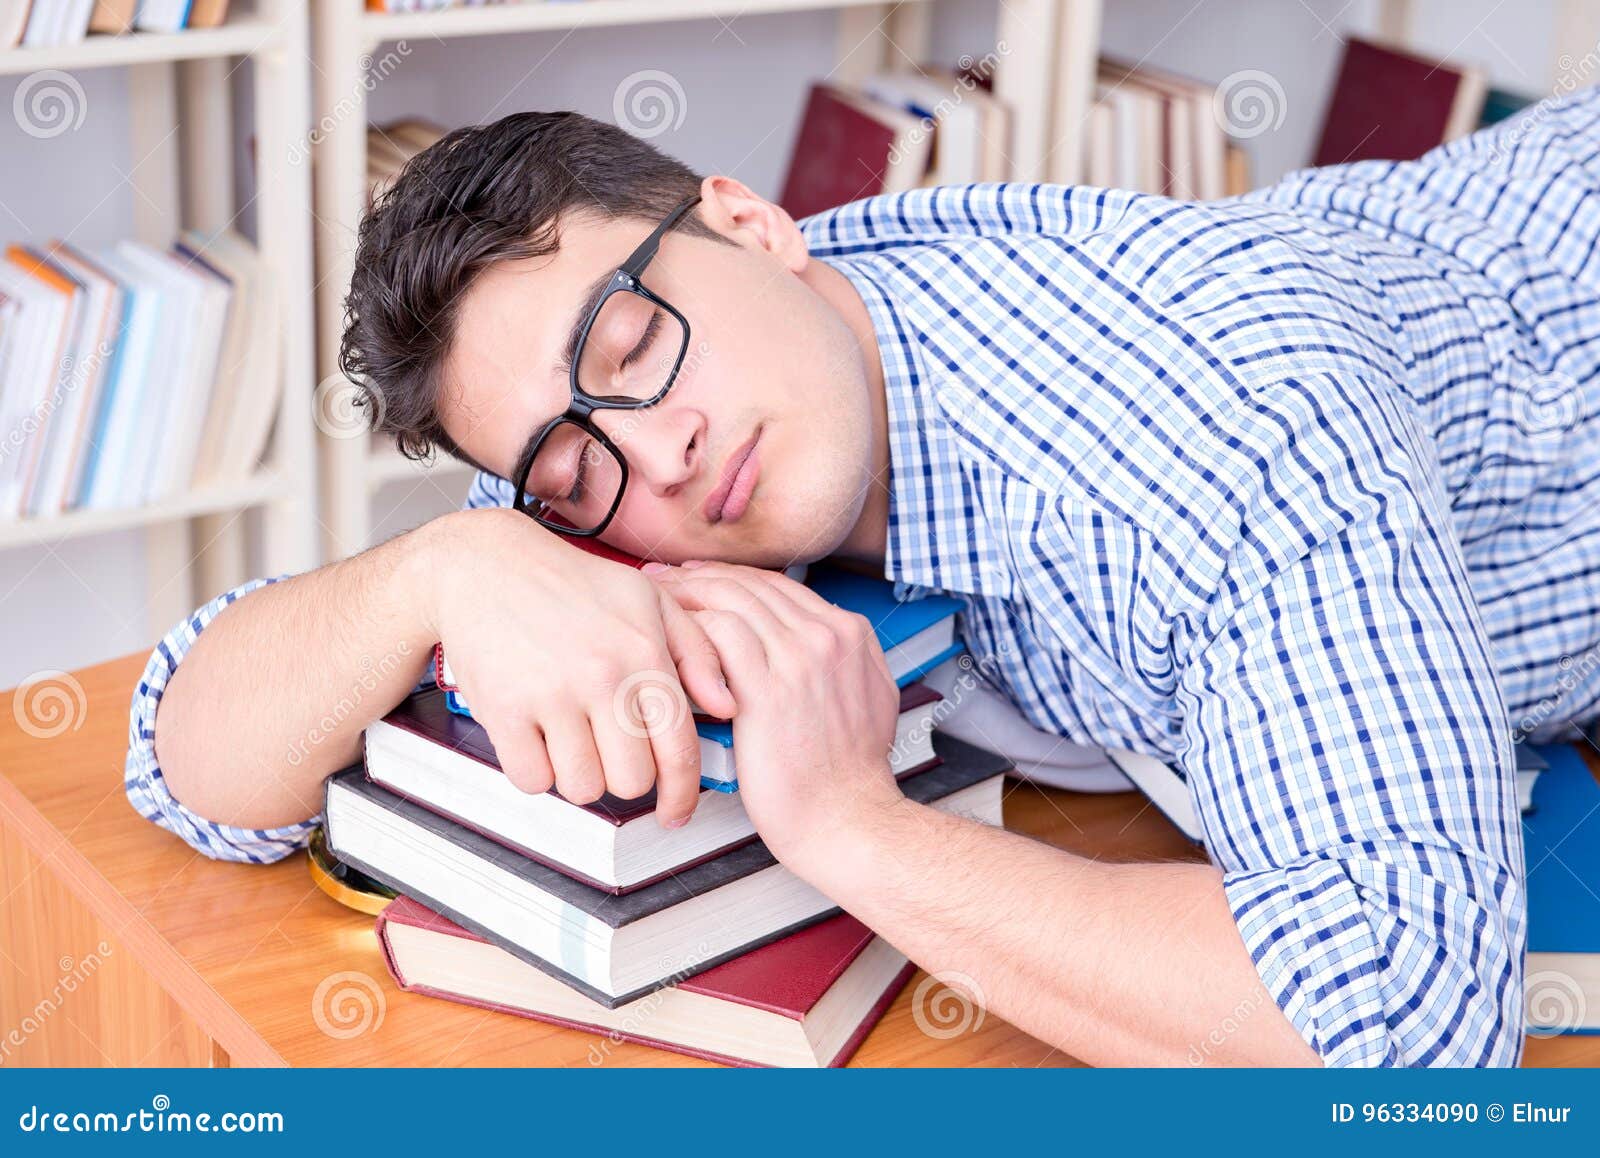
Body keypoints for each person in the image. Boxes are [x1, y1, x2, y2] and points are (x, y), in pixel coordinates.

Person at [127, 85, 1600, 1068]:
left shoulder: (1218, 418)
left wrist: (854, 830)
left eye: (635, 346)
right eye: (571, 470)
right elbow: (187, 755)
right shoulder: (621, 445)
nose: (663, 451)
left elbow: (1408, 1014)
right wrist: (438, 568)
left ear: (758, 223)